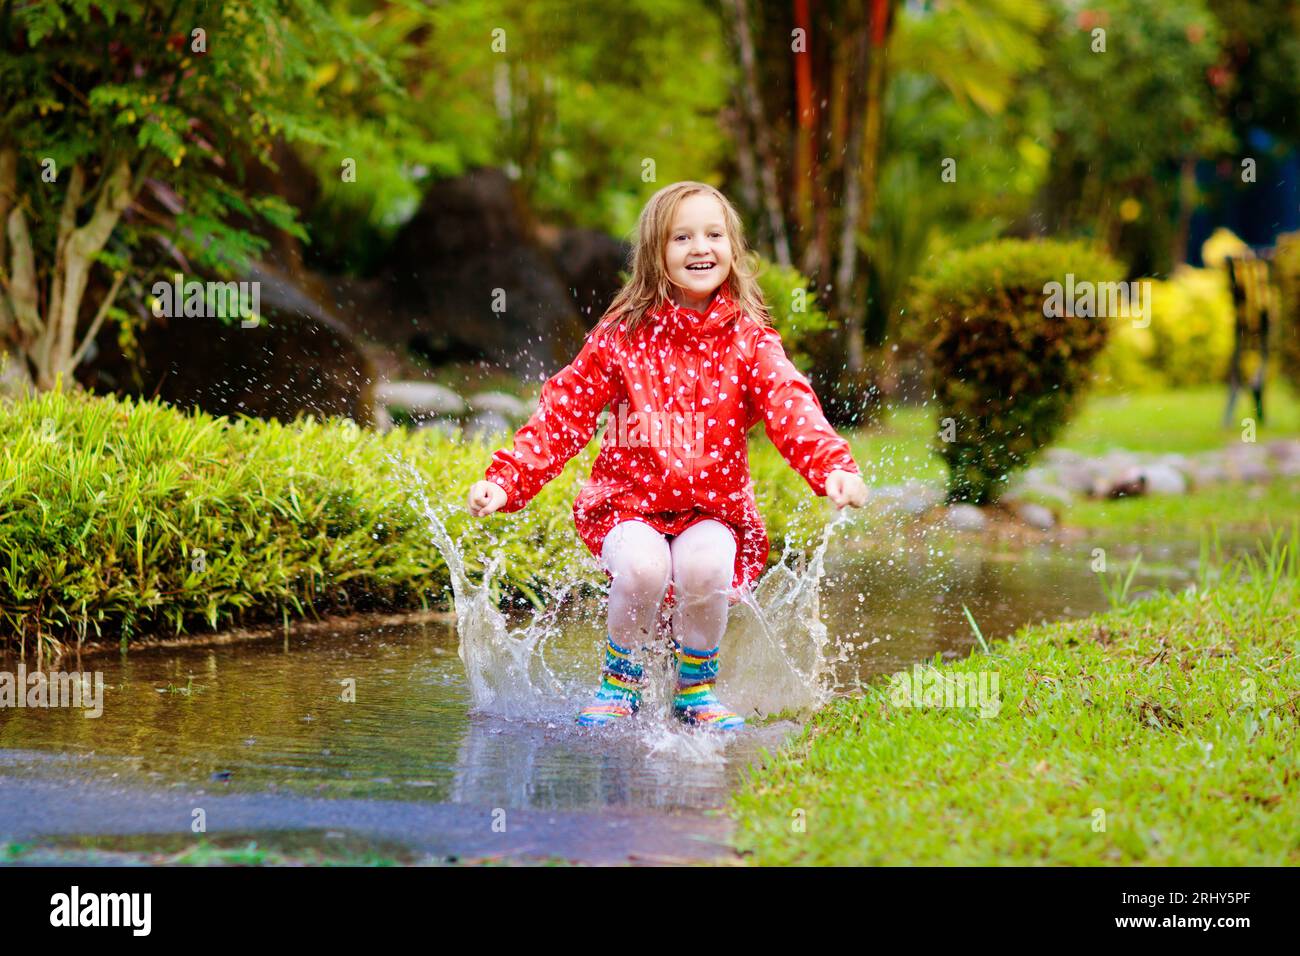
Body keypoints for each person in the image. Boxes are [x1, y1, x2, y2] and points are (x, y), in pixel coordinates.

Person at [467, 181, 868, 731]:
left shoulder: (750, 341)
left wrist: (832, 467)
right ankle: (620, 681)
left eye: (713, 234)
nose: (700, 247)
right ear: (655, 254)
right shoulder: (622, 336)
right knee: (644, 567)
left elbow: (789, 404)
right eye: (682, 237)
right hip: (629, 504)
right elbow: (565, 413)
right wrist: (508, 480)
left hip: (713, 507)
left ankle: (695, 688)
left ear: (733, 249)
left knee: (705, 568)